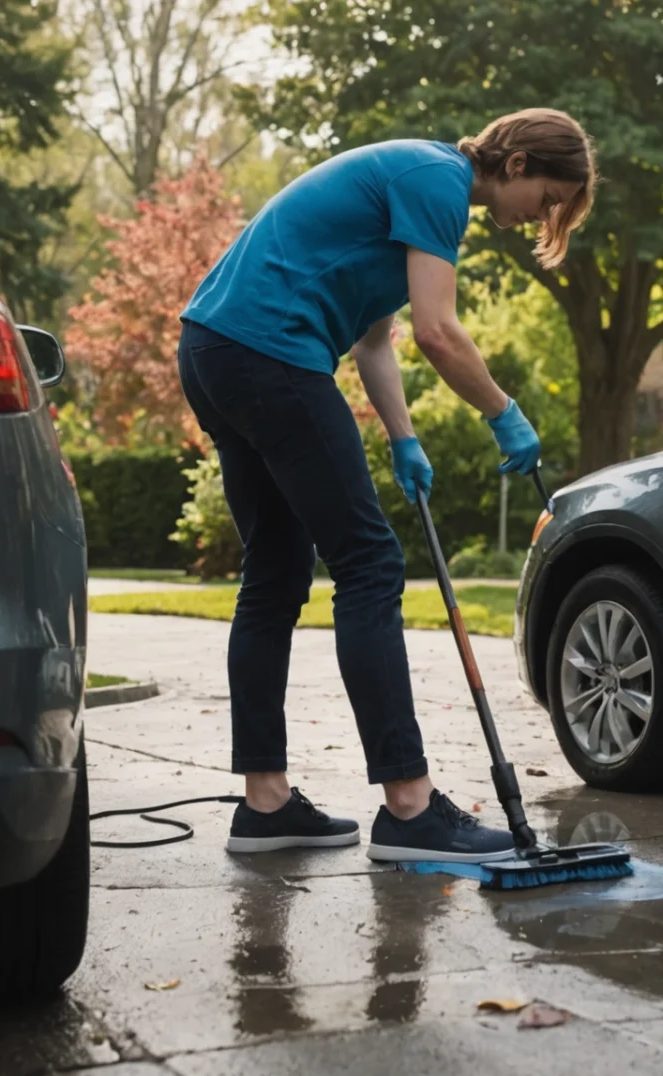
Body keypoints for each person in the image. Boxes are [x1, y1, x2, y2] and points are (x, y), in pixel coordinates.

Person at [174, 109, 596, 862]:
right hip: (269, 351)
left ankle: (264, 804)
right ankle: (409, 808)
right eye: (548, 197)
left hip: (214, 348)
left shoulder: (413, 179)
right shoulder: (437, 182)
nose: (540, 217)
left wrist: (405, 441)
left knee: (274, 574)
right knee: (369, 565)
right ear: (518, 162)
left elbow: (377, 338)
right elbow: (439, 331)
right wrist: (504, 413)